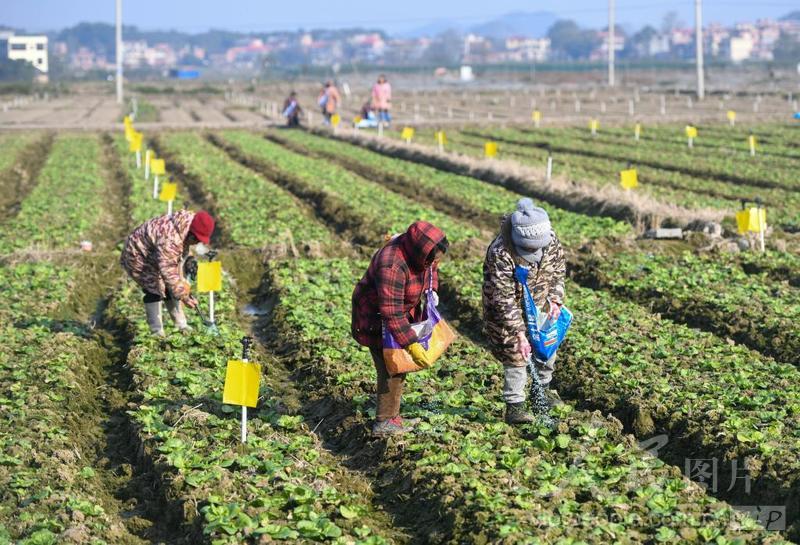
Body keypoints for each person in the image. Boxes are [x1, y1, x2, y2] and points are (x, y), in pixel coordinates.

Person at [352, 221, 449, 437]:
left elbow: (431, 268)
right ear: (419, 251)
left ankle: (392, 417)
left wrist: (431, 291)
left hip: (400, 312)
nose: (435, 261)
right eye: (432, 256)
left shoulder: (421, 253)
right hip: (375, 318)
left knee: (398, 368)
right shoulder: (392, 265)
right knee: (391, 367)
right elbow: (391, 312)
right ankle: (384, 422)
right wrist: (411, 344)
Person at [482, 198, 566, 425]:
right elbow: (503, 298)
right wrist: (519, 333)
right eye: (529, 249)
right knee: (516, 354)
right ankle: (515, 406)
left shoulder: (550, 239)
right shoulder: (500, 252)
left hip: (540, 304)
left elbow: (558, 271)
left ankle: (542, 392)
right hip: (507, 312)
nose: (536, 252)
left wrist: (556, 301)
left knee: (547, 347)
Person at [120, 210, 215, 337]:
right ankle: (157, 332)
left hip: (156, 252)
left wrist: (189, 259)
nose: (198, 243)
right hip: (138, 255)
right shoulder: (170, 239)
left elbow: (180, 250)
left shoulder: (188, 223)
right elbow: (169, 272)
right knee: (155, 289)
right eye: (197, 240)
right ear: (192, 234)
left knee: (172, 287)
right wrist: (185, 297)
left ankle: (181, 325)